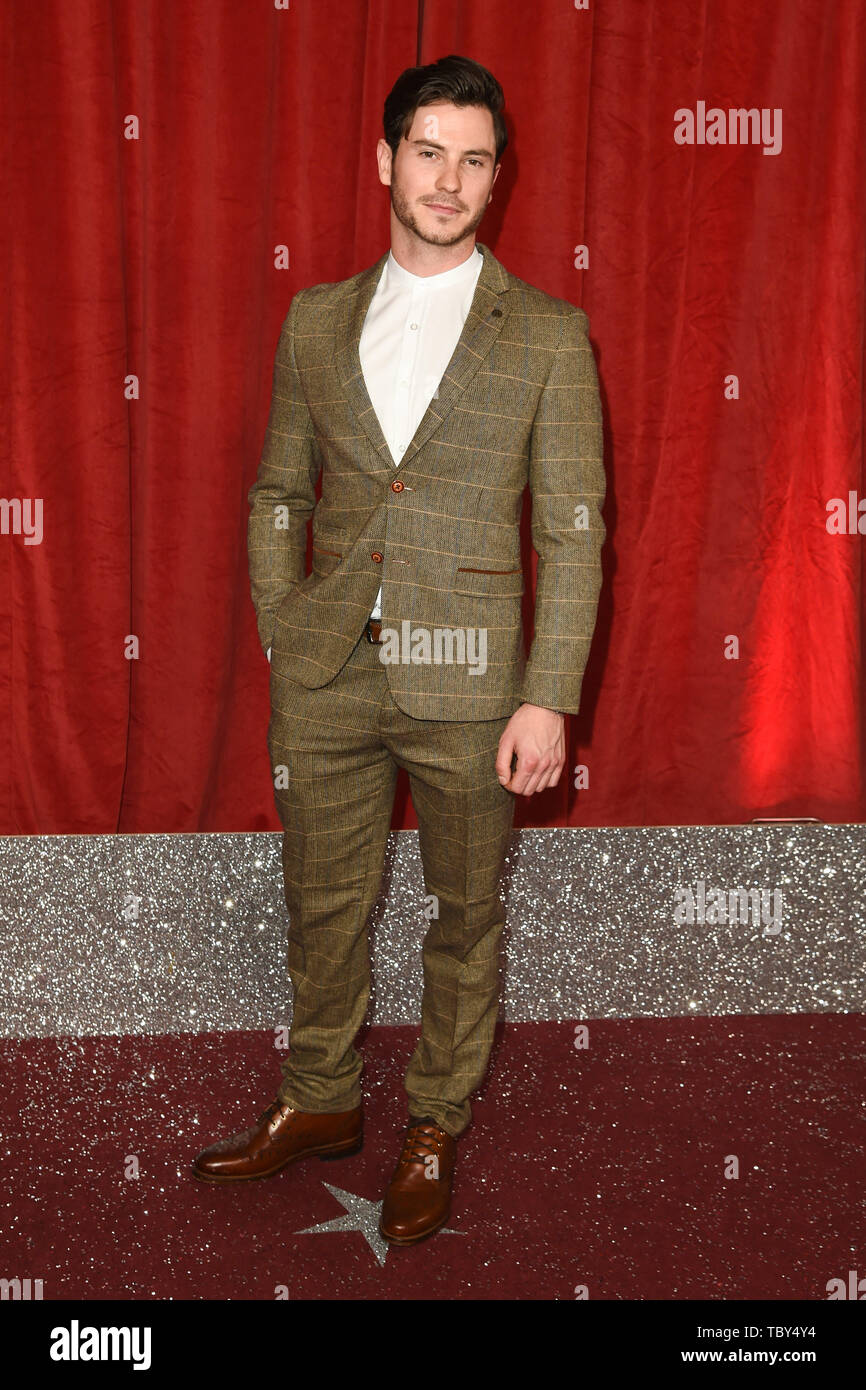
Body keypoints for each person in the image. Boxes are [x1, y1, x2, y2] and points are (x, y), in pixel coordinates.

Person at [192, 53, 606, 1246]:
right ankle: (319, 1100)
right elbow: (276, 490)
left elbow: (572, 533)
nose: (449, 178)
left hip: (474, 683)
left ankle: (432, 1120)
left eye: (474, 158)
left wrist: (548, 697)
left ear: (494, 177)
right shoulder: (315, 318)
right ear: (384, 160)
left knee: (461, 914)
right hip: (326, 674)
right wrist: (283, 625)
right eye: (429, 151)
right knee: (322, 905)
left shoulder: (546, 334)